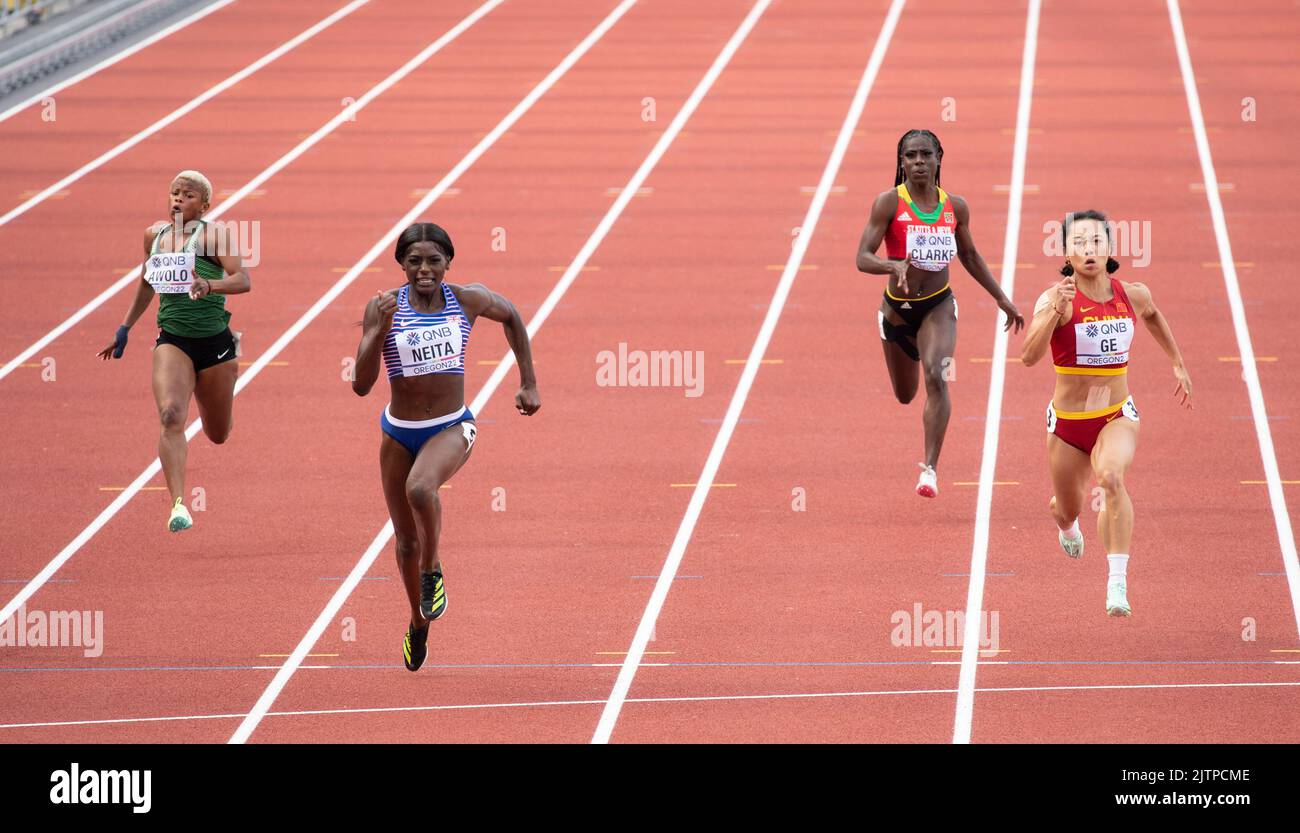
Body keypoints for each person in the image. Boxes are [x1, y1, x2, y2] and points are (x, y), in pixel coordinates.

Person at [352, 222, 540, 671]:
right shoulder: (383, 306)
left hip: (452, 426)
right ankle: (418, 623)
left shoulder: (467, 299)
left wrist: (528, 382)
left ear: (448, 262)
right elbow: (360, 385)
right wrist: (378, 331)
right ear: (400, 263)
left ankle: (433, 571)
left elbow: (512, 314)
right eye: (414, 261)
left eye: (434, 260)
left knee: (421, 490)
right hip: (398, 431)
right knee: (403, 543)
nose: (424, 269)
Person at [1020, 209, 1192, 616]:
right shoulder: (1055, 298)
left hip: (1116, 416)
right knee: (1068, 507)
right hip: (1067, 427)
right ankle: (1065, 523)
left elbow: (1152, 316)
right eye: (1078, 243)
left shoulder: (1132, 294)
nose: (1089, 250)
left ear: (1111, 248)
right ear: (1066, 253)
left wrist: (1178, 362)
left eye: (1096, 241)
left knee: (1112, 478)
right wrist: (1051, 314)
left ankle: (1117, 583)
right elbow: (1028, 357)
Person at [856, 129, 1024, 497]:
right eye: (911, 156)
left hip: (938, 306)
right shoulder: (888, 203)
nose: (918, 162)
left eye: (926, 155)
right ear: (901, 162)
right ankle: (899, 343)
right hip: (897, 313)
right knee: (905, 394)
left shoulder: (955, 207)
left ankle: (929, 468)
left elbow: (969, 256)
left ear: (938, 159)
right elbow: (862, 258)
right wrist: (892, 266)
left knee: (937, 376)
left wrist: (1001, 298)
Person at [97, 171, 251, 532]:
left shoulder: (215, 235)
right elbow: (146, 283)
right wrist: (125, 328)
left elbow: (243, 279)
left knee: (218, 433)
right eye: (174, 193)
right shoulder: (155, 236)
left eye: (188, 195)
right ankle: (178, 504)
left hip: (214, 343)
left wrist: (210, 284)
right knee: (170, 415)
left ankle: (218, 385)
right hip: (173, 339)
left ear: (205, 204)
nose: (178, 200)